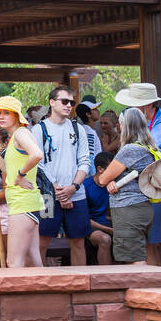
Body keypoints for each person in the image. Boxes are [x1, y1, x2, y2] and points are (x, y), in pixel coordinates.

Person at [115, 83, 161, 268]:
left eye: (134, 105)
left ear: (147, 105)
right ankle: (155, 289)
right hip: (139, 196)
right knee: (147, 243)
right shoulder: (134, 122)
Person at [33, 86, 92, 266]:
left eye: (72, 102)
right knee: (42, 241)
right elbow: (37, 164)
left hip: (77, 193)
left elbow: (85, 161)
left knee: (79, 241)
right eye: (64, 101)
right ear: (52, 102)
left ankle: (81, 283)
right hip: (48, 196)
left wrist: (73, 187)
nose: (69, 105)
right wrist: (57, 189)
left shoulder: (78, 128)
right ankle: (40, 282)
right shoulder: (38, 129)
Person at [93, 108, 160, 266]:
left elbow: (102, 179)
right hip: (143, 206)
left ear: (125, 126)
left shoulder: (129, 150)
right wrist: (112, 180)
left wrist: (109, 179)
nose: (118, 127)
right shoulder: (148, 147)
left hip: (128, 208)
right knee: (142, 253)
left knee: (134, 259)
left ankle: (140, 291)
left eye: (120, 124)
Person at [0, 96, 43, 268]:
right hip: (25, 202)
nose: (1, 116)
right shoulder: (15, 136)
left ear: (16, 116)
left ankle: (18, 295)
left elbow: (37, 154)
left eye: (6, 112)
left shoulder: (21, 133)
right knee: (32, 260)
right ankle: (44, 294)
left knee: (13, 262)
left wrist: (20, 175)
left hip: (22, 202)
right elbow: (8, 171)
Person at [84, 151, 114, 265]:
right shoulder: (86, 186)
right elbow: (84, 219)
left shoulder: (112, 185)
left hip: (106, 223)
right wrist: (110, 230)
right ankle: (106, 278)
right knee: (105, 239)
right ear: (100, 169)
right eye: (111, 169)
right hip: (90, 227)